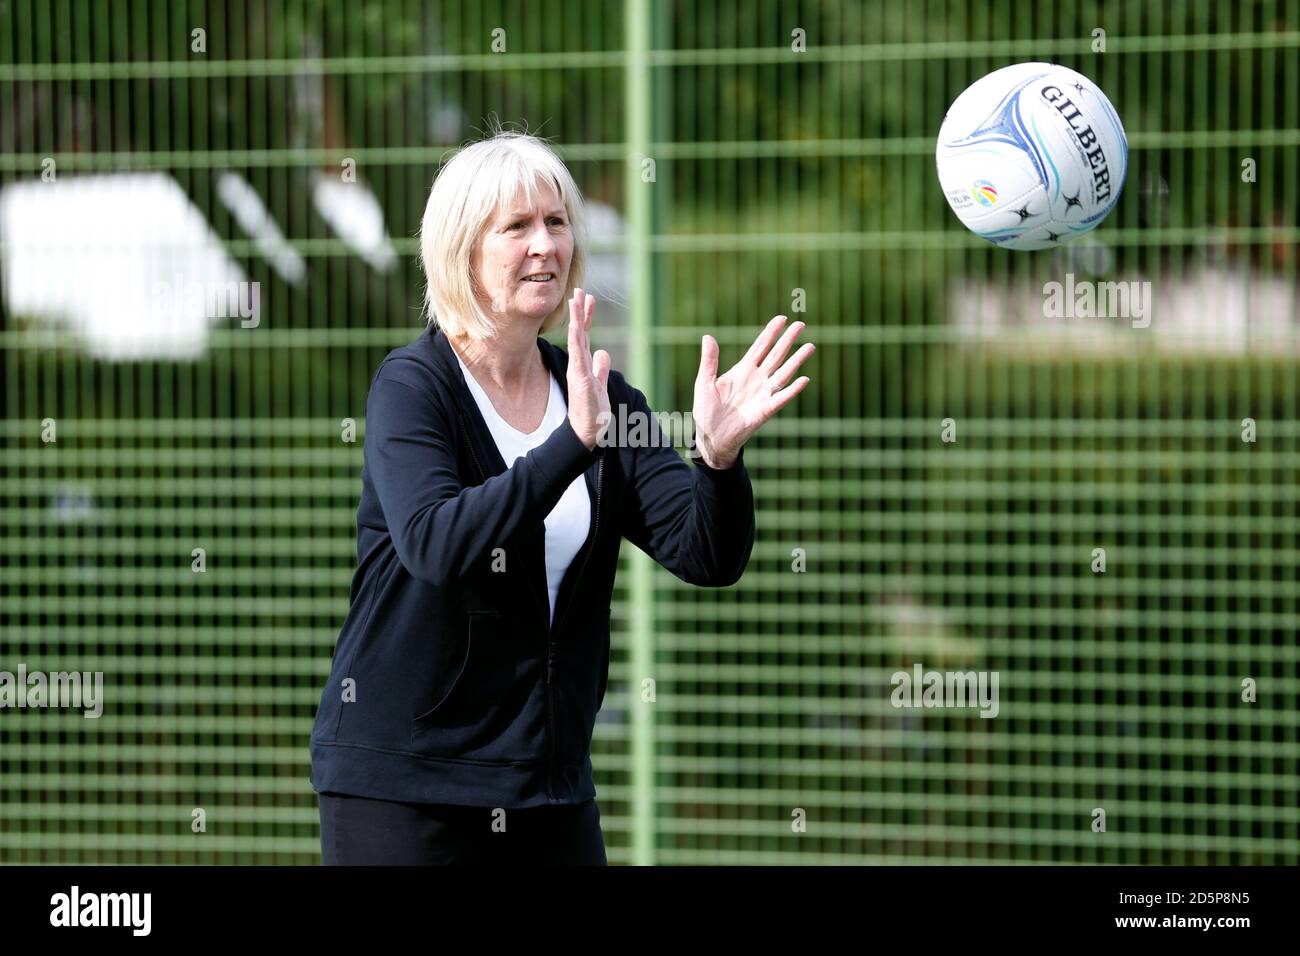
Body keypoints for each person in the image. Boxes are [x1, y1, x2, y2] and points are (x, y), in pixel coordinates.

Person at [310, 128, 815, 865]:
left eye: (555, 221)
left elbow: (704, 553)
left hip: (548, 792)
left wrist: (717, 457)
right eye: (516, 227)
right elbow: (436, 543)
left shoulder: (602, 393)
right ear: (462, 251)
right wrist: (569, 446)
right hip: (403, 789)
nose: (545, 244)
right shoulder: (413, 386)